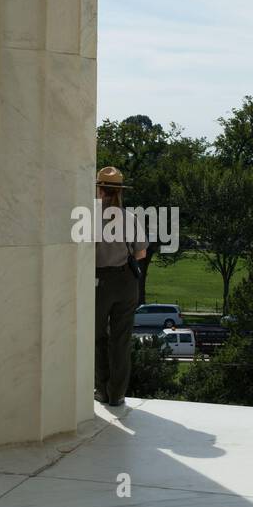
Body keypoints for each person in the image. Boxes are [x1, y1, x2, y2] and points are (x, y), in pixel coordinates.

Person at [94, 167, 146, 407]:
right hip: (126, 282)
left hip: (99, 282)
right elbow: (141, 252)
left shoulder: (89, 218)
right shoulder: (130, 217)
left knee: (97, 337)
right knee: (121, 340)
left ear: (99, 189)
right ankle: (117, 394)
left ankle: (102, 390)